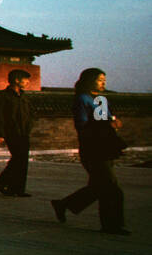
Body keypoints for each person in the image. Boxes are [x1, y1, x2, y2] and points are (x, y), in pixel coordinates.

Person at [52, 68, 129, 234]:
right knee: (111, 188)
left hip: (105, 147)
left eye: (104, 79)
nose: (104, 83)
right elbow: (82, 125)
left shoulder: (100, 99)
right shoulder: (82, 99)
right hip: (93, 149)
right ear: (90, 80)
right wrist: (107, 124)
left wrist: (113, 123)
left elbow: (103, 121)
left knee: (98, 186)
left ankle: (63, 204)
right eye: (100, 79)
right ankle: (112, 225)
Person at [0, 69, 34, 196]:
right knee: (18, 158)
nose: (28, 82)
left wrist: (29, 127)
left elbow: (30, 114)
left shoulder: (24, 97)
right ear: (16, 80)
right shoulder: (2, 96)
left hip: (24, 132)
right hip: (11, 132)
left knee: (22, 160)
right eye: (25, 79)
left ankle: (18, 189)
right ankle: (3, 181)